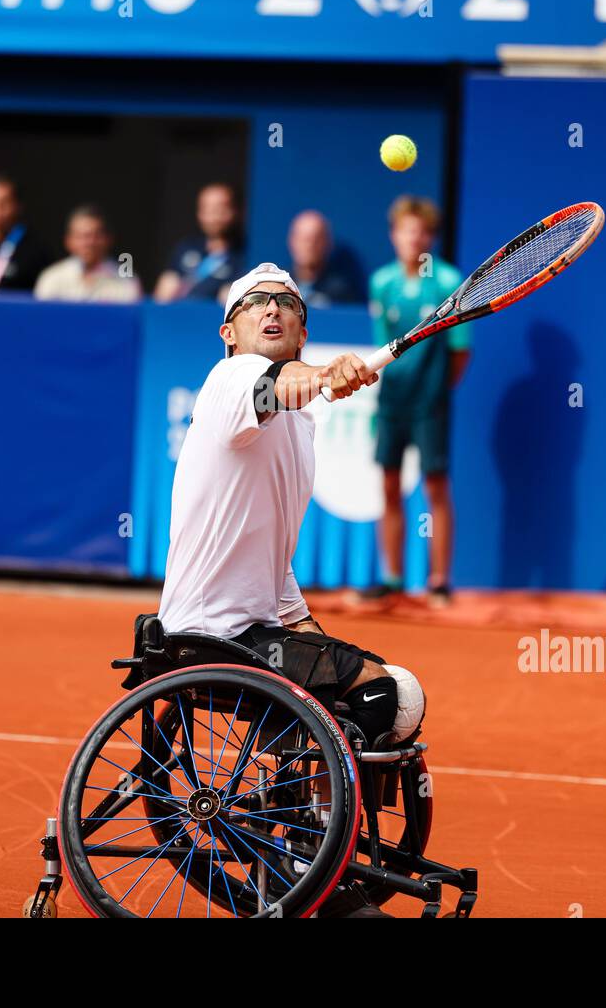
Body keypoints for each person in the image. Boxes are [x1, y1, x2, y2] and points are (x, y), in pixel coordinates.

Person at [156, 261, 414, 917]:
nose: (271, 309)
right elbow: (280, 384)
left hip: (257, 629)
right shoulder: (233, 380)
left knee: (396, 697)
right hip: (213, 633)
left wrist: (308, 630)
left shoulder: (298, 428)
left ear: (302, 329)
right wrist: (326, 375)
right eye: (255, 303)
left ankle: (312, 843)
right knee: (379, 694)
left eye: (287, 303)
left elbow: (274, 559)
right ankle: (310, 867)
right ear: (229, 331)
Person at [365, 196, 470, 608]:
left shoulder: (447, 282)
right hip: (391, 403)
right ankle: (392, 580)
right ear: (394, 235)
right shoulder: (381, 282)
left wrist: (435, 392)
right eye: (406, 230)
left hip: (430, 404)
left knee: (435, 488)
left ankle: (439, 582)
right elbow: (381, 348)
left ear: (431, 237)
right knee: (388, 486)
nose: (413, 238)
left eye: (422, 231)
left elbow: (460, 350)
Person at [153, 183, 246, 303]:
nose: (213, 216)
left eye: (220, 209)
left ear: (236, 211)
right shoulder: (186, 248)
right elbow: (163, 294)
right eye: (206, 209)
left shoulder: (243, 255)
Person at [34, 205, 142, 303]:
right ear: (68, 241)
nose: (89, 243)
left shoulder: (127, 281)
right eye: (81, 236)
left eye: (96, 235)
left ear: (109, 239)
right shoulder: (52, 277)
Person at [287, 210, 364, 307]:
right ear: (291, 241)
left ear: (328, 243)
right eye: (304, 239)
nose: (309, 246)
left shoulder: (342, 292)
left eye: (316, 240)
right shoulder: (277, 285)